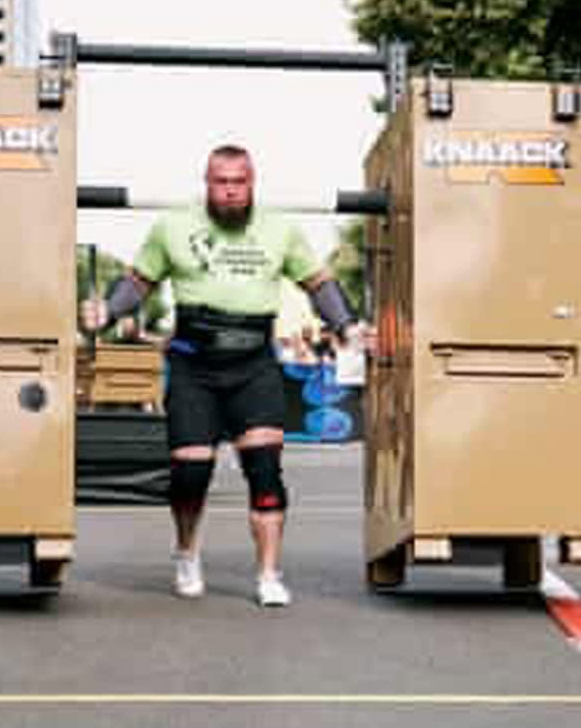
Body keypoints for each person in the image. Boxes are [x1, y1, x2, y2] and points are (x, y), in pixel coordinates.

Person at [82, 144, 370, 605]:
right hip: (194, 365)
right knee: (190, 476)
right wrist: (108, 310)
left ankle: (269, 575)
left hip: (254, 366)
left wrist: (346, 325)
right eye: (222, 182)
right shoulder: (173, 227)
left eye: (239, 182)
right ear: (207, 183)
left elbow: (319, 283)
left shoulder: (280, 230)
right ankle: (186, 554)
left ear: (252, 183)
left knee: (265, 473)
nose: (231, 191)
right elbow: (138, 281)